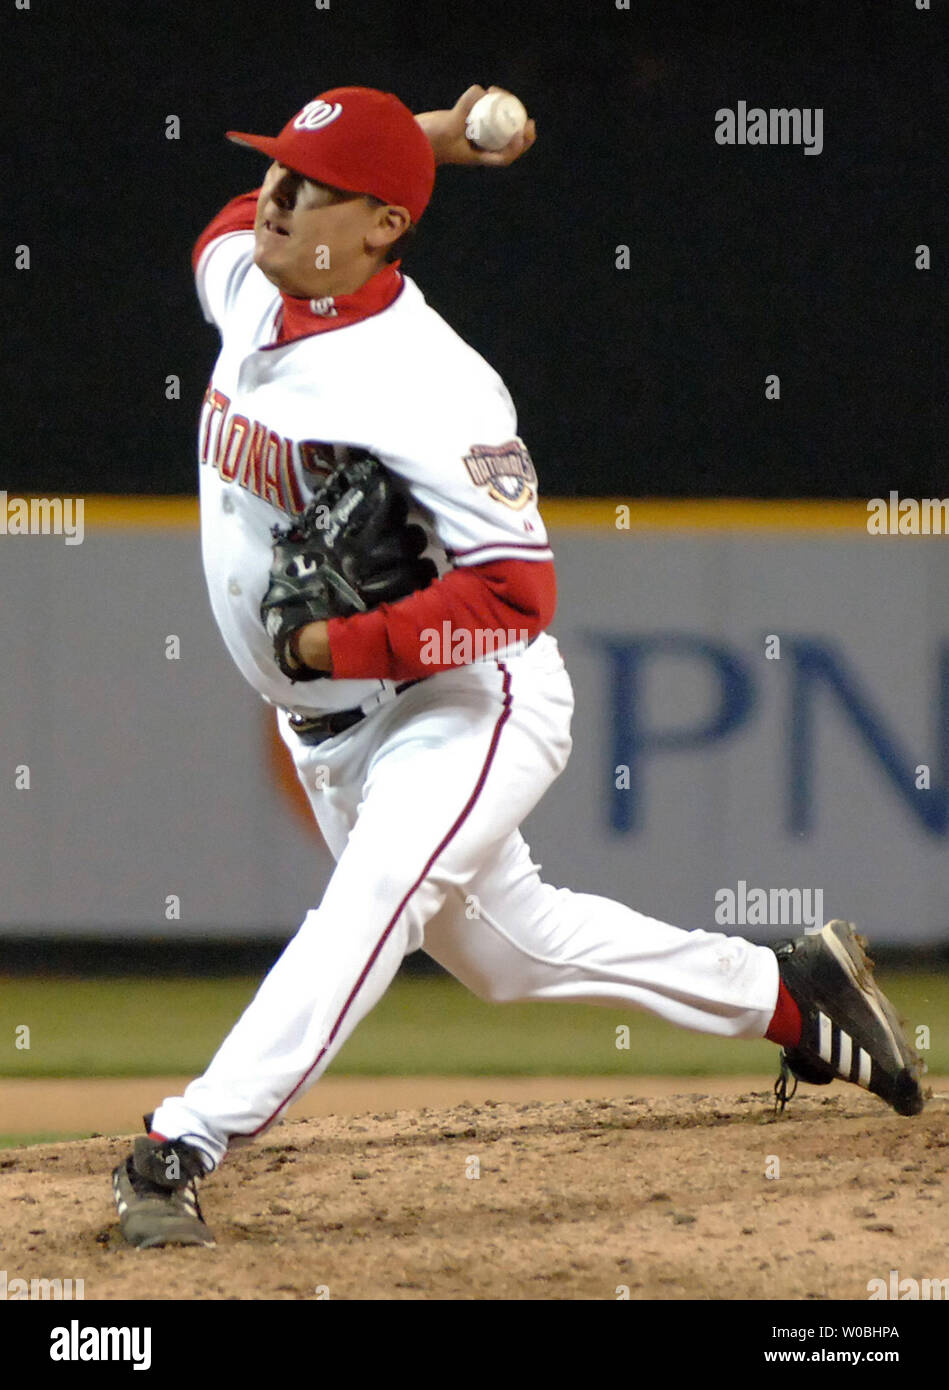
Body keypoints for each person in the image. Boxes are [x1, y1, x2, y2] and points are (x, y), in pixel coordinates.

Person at [111, 84, 925, 1249]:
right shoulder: (253, 279)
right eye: (276, 173)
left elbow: (515, 593)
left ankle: (180, 1142)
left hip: (462, 701)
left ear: (384, 227)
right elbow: (224, 225)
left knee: (375, 899)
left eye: (308, 186)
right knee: (507, 951)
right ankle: (793, 992)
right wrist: (426, 139)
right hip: (331, 728)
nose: (275, 202)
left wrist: (334, 640)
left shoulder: (432, 385)